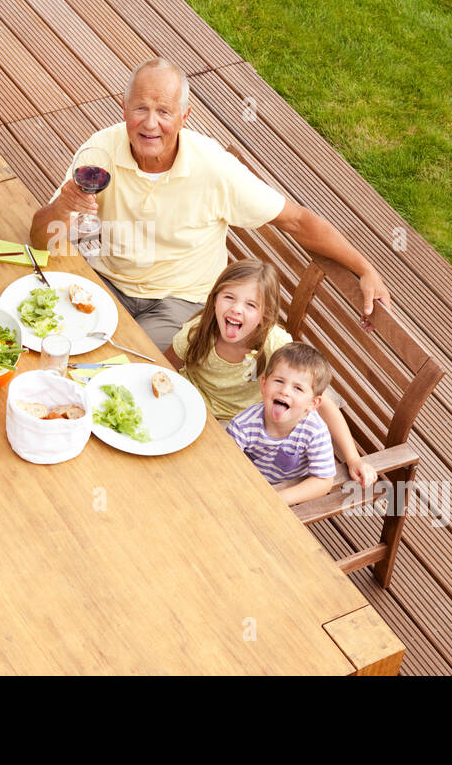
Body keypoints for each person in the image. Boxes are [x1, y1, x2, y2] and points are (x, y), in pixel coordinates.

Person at [29, 57, 390, 349]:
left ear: (184, 118)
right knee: (52, 340)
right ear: (123, 108)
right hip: (106, 281)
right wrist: (63, 206)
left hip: (179, 302)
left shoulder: (214, 168)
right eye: (140, 108)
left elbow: (296, 221)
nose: (150, 123)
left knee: (130, 371)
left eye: (164, 111)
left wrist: (365, 268)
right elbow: (41, 240)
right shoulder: (100, 151)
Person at [227, 342, 377, 506]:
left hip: (288, 497)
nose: (285, 391)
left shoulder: (315, 432)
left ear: (313, 403)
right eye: (278, 381)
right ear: (263, 384)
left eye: (298, 388)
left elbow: (323, 480)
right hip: (244, 488)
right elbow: (225, 462)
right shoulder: (242, 425)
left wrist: (278, 499)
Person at [162, 259, 291, 420]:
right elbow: (164, 367)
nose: (236, 309)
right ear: (215, 299)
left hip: (234, 423)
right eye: (229, 297)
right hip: (187, 400)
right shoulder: (197, 331)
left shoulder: (276, 345)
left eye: (251, 305)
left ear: (264, 316)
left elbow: (312, 390)